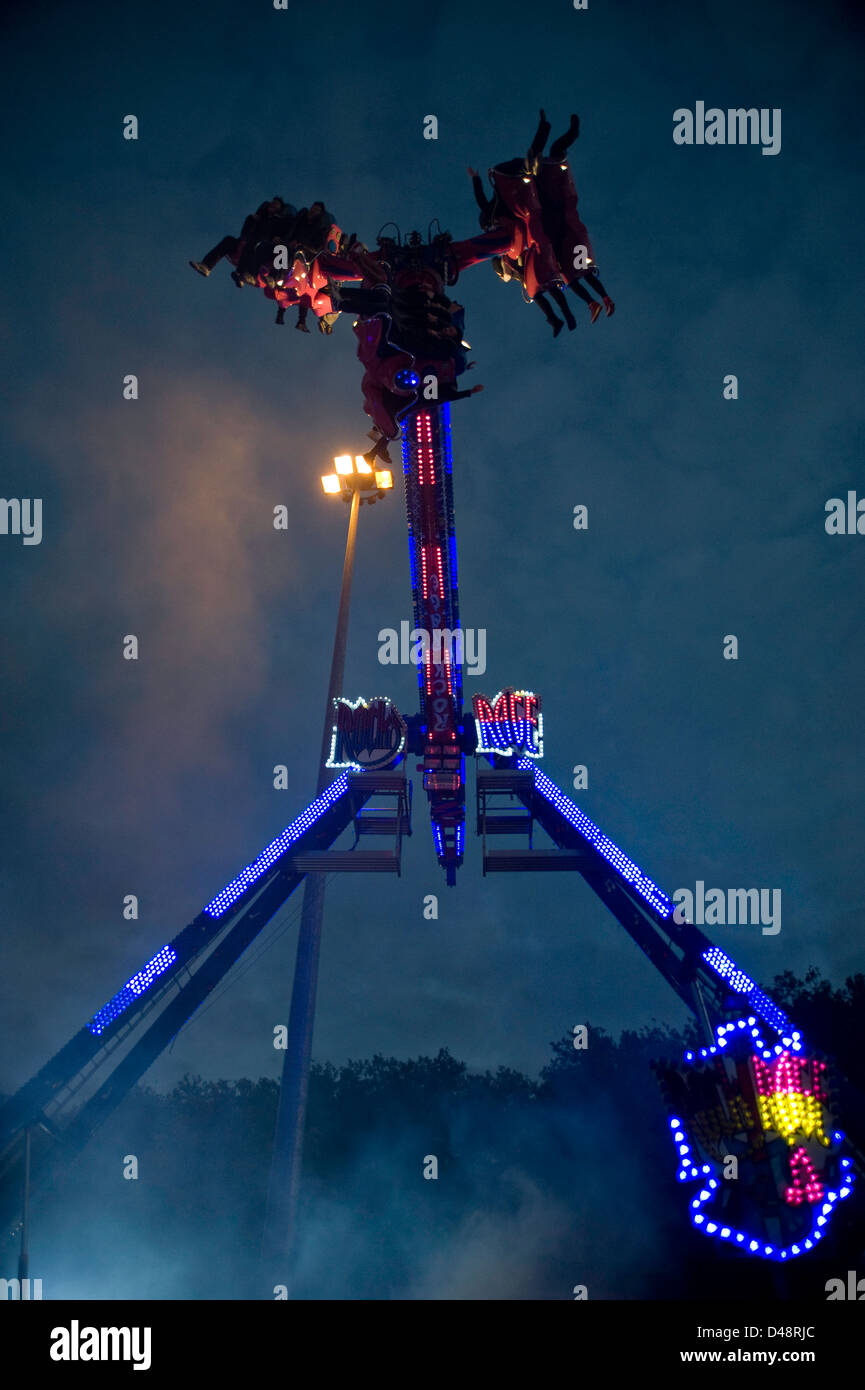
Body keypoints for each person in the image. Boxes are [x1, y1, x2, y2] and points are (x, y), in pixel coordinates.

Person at [189, 197, 288, 277]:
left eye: (276, 204)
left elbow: (274, 238)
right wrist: (252, 221)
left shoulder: (277, 223)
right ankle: (206, 266)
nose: (272, 205)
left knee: (254, 244)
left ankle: (241, 274)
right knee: (229, 240)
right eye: (272, 203)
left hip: (258, 250)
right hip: (244, 245)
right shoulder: (257, 217)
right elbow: (244, 233)